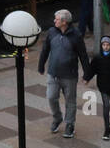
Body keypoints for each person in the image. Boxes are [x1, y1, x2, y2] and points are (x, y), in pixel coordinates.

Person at [37, 9, 91, 139]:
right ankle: (57, 118)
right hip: (53, 74)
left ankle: (69, 124)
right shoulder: (51, 32)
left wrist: (87, 74)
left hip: (69, 76)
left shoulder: (76, 35)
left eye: (56, 19)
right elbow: (45, 50)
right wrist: (41, 65)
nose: (54, 21)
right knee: (51, 97)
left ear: (64, 22)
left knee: (70, 101)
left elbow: (83, 55)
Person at [84, 34, 110, 141]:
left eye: (108, 45)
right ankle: (107, 129)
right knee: (106, 105)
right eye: (104, 45)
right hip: (103, 85)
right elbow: (92, 69)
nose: (106, 47)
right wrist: (87, 78)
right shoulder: (98, 58)